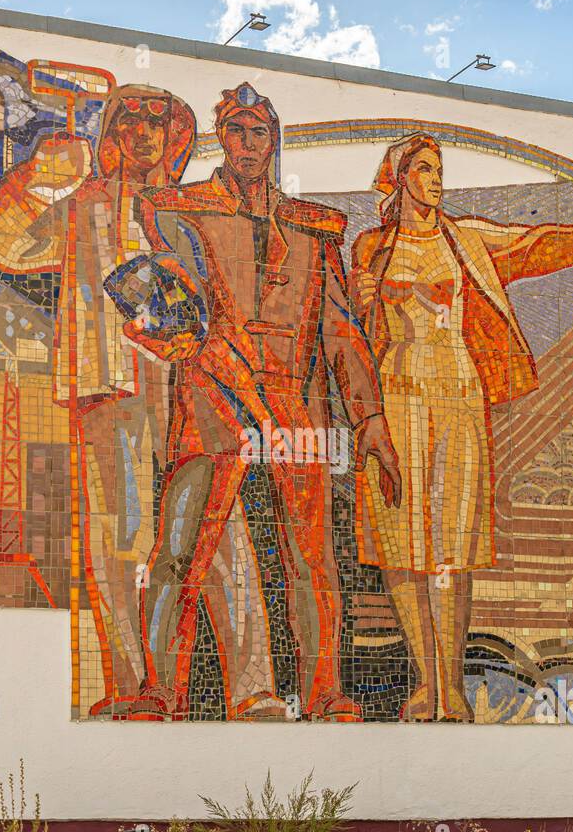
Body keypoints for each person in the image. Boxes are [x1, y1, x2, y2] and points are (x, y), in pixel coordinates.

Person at [349, 133, 573, 721]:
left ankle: (453, 687)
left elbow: (533, 244)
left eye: (440, 169)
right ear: (399, 177)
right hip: (395, 394)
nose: (436, 180)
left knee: (452, 542)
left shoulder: (463, 239)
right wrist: (360, 296)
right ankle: (425, 682)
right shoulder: (372, 247)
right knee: (400, 543)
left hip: (458, 392)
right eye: (425, 169)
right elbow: (348, 329)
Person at [120, 82, 402, 722]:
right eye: (237, 130)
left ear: (274, 141)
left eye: (260, 131)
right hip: (214, 398)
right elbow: (173, 310)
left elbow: (341, 331)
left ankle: (326, 691)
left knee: (314, 559)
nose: (248, 144)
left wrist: (371, 419)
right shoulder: (178, 211)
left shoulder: (312, 227)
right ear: (222, 138)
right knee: (180, 548)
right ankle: (161, 692)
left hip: (296, 406)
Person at [0, 84, 204, 714]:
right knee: (121, 537)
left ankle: (175, 686)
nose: (146, 133)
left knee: (189, 541)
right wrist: (37, 176)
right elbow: (0, 242)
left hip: (187, 387)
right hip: (107, 381)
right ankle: (129, 686)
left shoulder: (187, 210)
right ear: (113, 133)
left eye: (161, 122)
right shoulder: (85, 204)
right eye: (132, 120)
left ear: (176, 137)